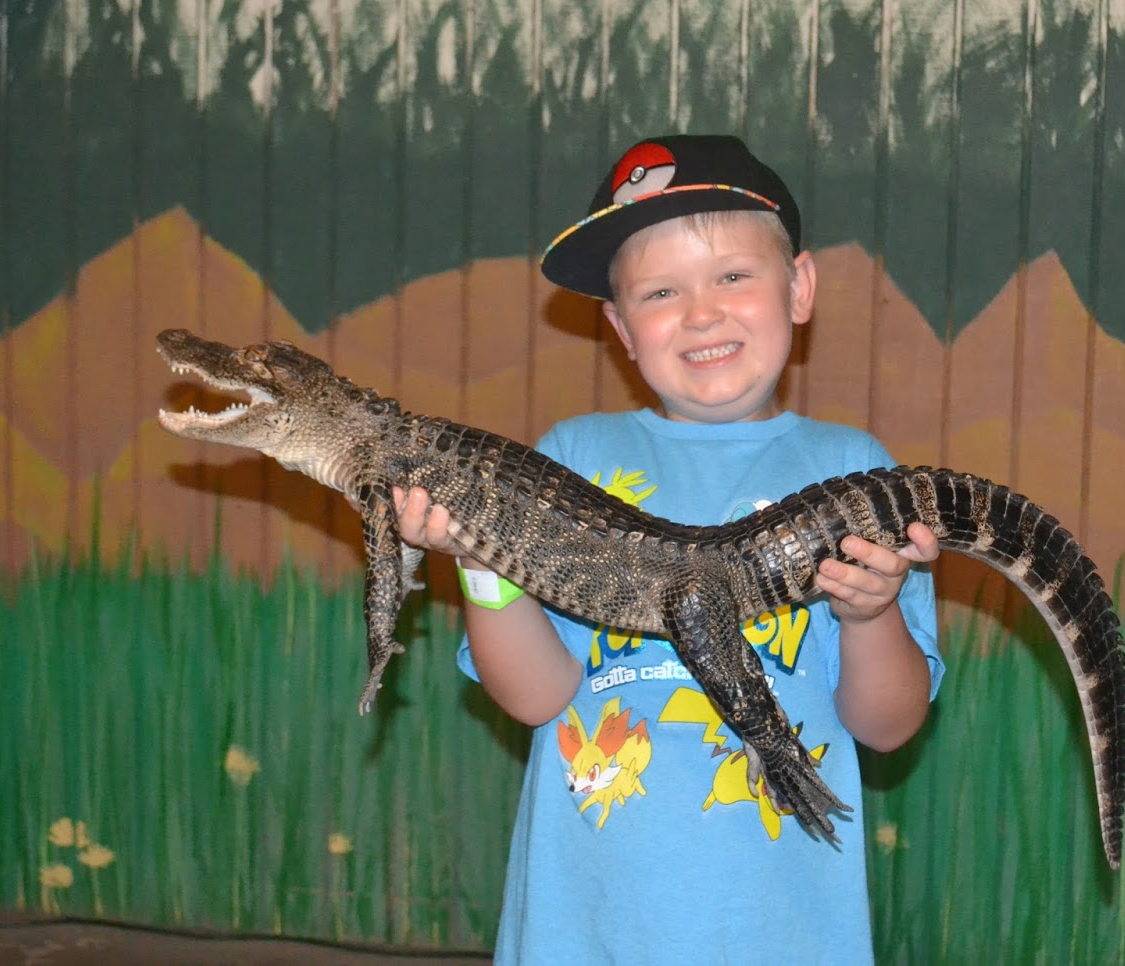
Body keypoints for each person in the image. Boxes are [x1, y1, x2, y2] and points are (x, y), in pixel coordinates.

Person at [394, 133, 943, 964]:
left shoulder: (853, 472)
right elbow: (538, 697)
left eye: (732, 275)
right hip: (586, 929)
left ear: (799, 289)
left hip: (785, 933)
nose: (700, 312)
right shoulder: (568, 461)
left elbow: (891, 724)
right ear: (619, 326)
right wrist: (481, 561)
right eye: (659, 292)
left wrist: (871, 616)